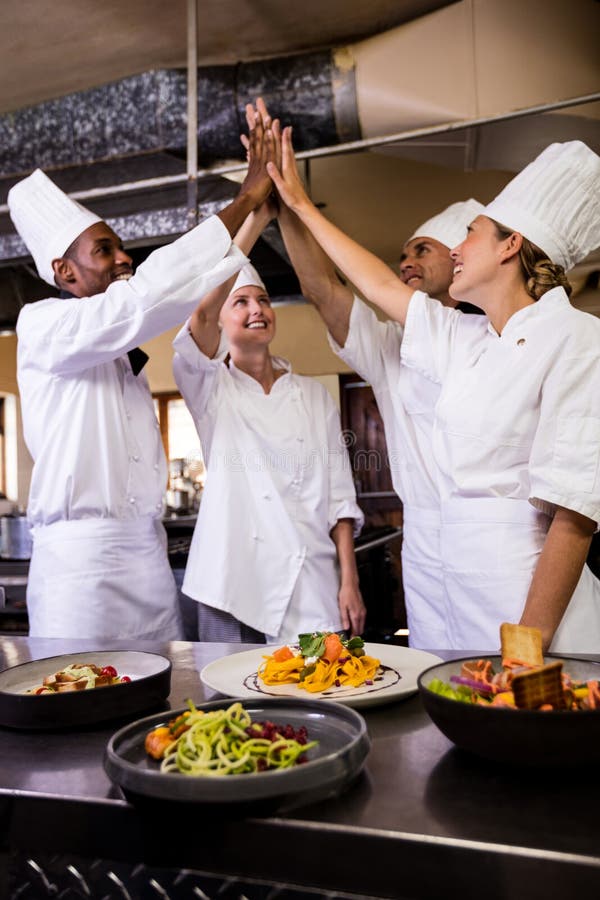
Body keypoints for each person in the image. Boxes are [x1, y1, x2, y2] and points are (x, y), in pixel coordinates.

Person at [266, 128, 600, 652]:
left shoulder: (578, 338)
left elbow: (574, 516)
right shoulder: (465, 339)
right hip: (452, 575)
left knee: (524, 724)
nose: (460, 248)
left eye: (469, 234)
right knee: (451, 713)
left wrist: (523, 654)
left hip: (523, 584)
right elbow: (374, 286)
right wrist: (297, 204)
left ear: (511, 244)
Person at [7, 109, 275, 640]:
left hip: (147, 558)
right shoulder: (43, 324)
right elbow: (147, 296)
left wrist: (258, 218)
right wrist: (244, 197)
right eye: (104, 250)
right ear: (65, 271)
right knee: (82, 700)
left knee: (164, 701)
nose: (123, 257)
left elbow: (185, 296)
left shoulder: (117, 343)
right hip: (81, 571)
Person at [277, 189, 484, 649]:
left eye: (421, 250)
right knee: (437, 675)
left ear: (459, 260)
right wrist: (284, 206)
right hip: (424, 542)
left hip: (489, 535)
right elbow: (322, 290)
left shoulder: (491, 336)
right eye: (403, 254)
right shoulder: (391, 343)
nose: (406, 261)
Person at [171, 207, 365, 643]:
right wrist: (257, 220)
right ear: (222, 316)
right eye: (241, 302)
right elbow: (199, 319)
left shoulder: (314, 396)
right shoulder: (209, 386)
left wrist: (348, 580)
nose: (257, 309)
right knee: (232, 704)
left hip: (313, 581)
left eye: (263, 300)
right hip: (234, 582)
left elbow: (339, 495)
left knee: (318, 696)